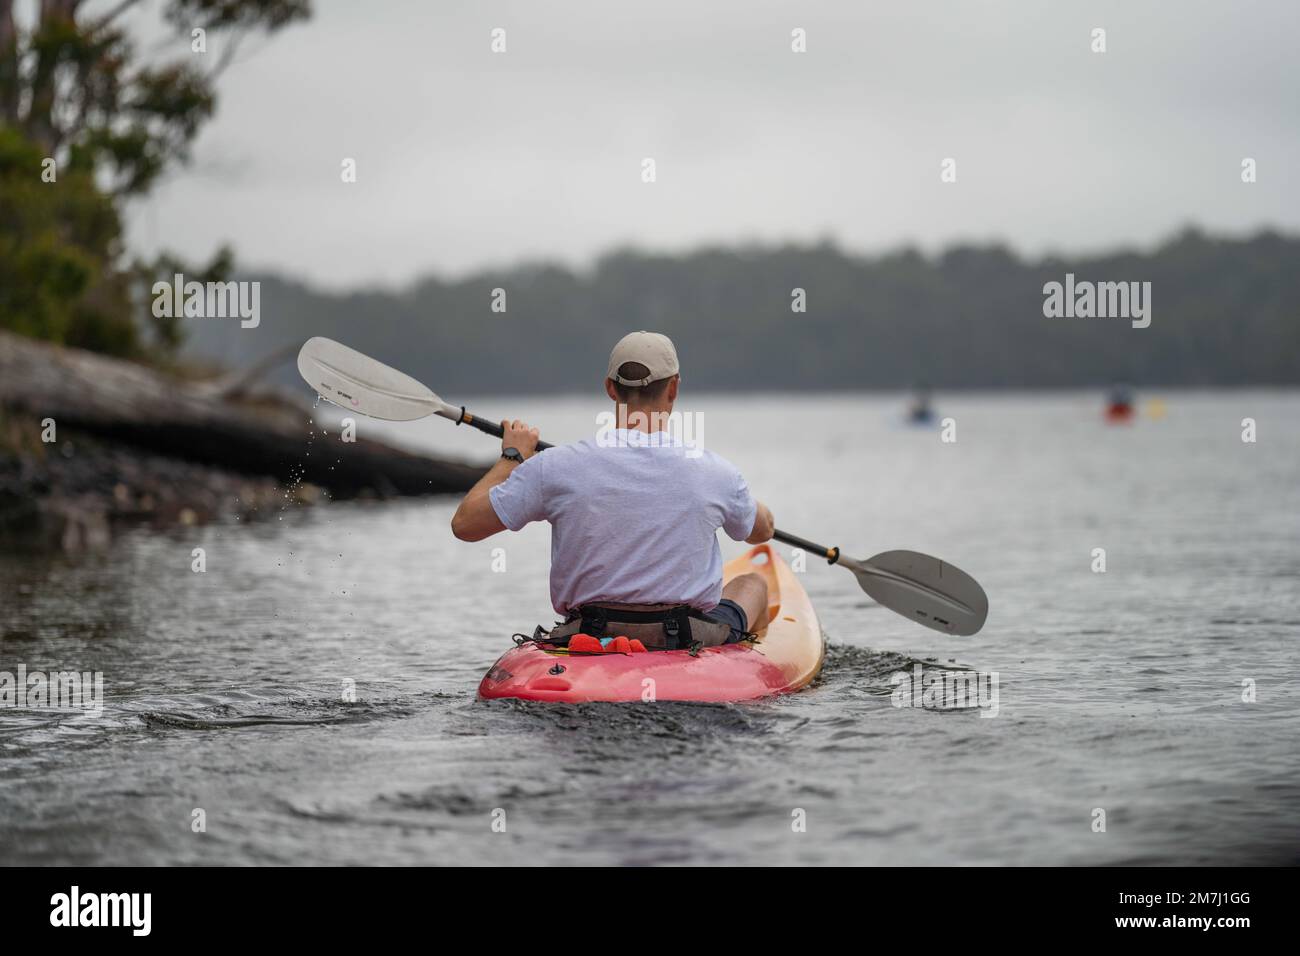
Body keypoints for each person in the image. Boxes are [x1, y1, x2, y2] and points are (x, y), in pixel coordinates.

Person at [450, 331, 775, 650]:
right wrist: (743, 502)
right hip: (681, 638)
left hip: (588, 634)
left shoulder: (555, 465)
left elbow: (465, 525)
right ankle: (746, 658)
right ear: (674, 388)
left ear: (610, 389)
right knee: (753, 584)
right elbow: (760, 531)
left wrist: (512, 457)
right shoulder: (718, 473)